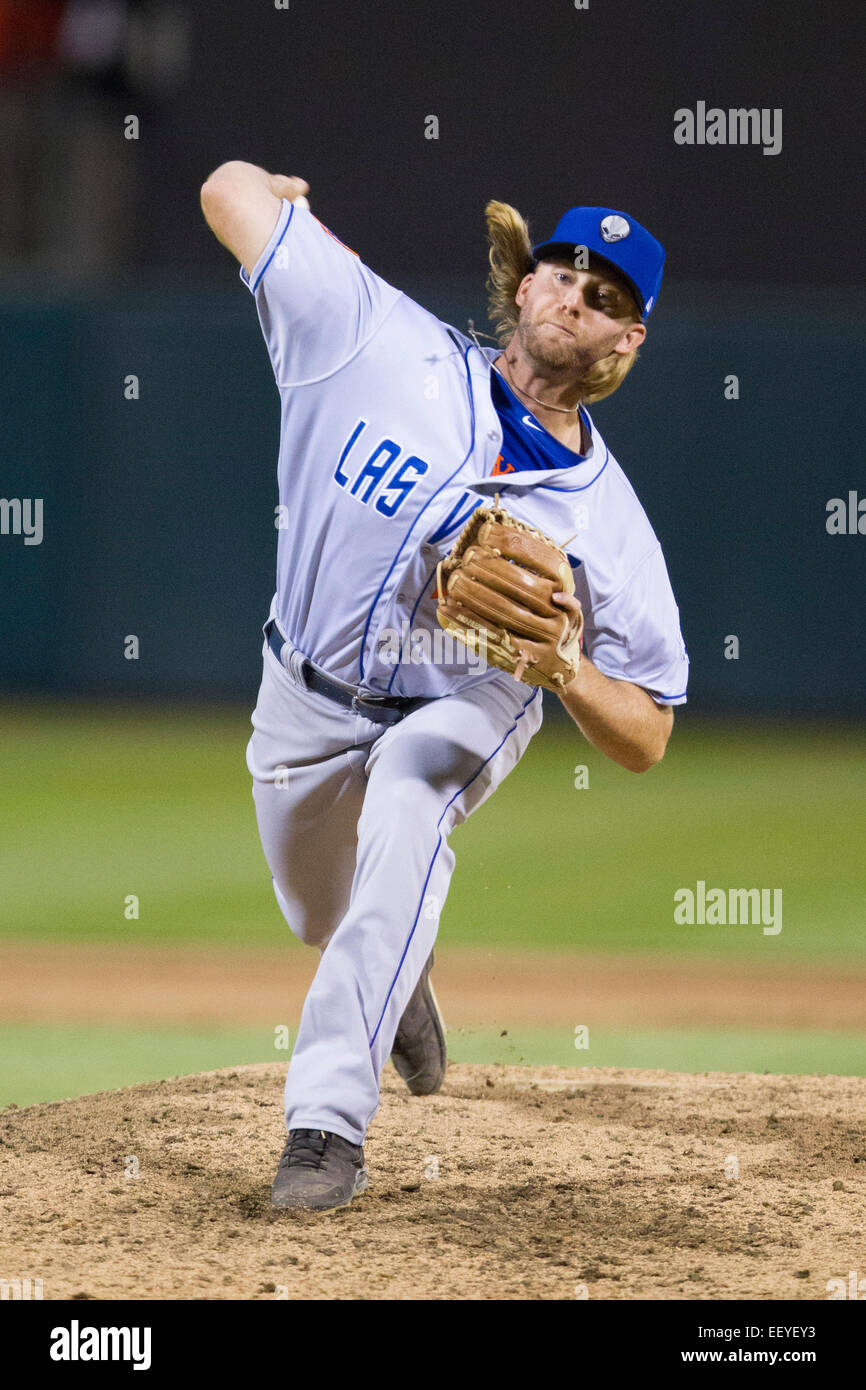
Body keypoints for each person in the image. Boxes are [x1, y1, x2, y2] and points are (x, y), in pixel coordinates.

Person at [199, 164, 689, 1211]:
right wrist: (273, 191)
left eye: (607, 299)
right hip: (300, 691)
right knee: (316, 911)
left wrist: (562, 670)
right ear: (524, 285)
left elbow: (645, 731)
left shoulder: (610, 525)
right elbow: (222, 192)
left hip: (459, 704)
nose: (575, 298)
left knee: (411, 805)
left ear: (625, 343)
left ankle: (324, 1130)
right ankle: (393, 959)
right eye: (565, 272)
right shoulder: (374, 338)